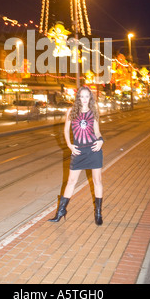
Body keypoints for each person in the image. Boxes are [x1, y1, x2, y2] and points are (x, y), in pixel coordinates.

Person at [49, 86, 104, 225]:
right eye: (82, 96)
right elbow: (66, 131)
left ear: (90, 98)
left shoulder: (94, 112)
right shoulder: (71, 112)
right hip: (78, 151)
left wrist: (101, 141)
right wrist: (69, 145)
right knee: (71, 182)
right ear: (78, 98)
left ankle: (98, 212)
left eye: (87, 96)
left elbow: (97, 132)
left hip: (93, 150)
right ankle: (61, 211)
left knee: (97, 181)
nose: (84, 99)